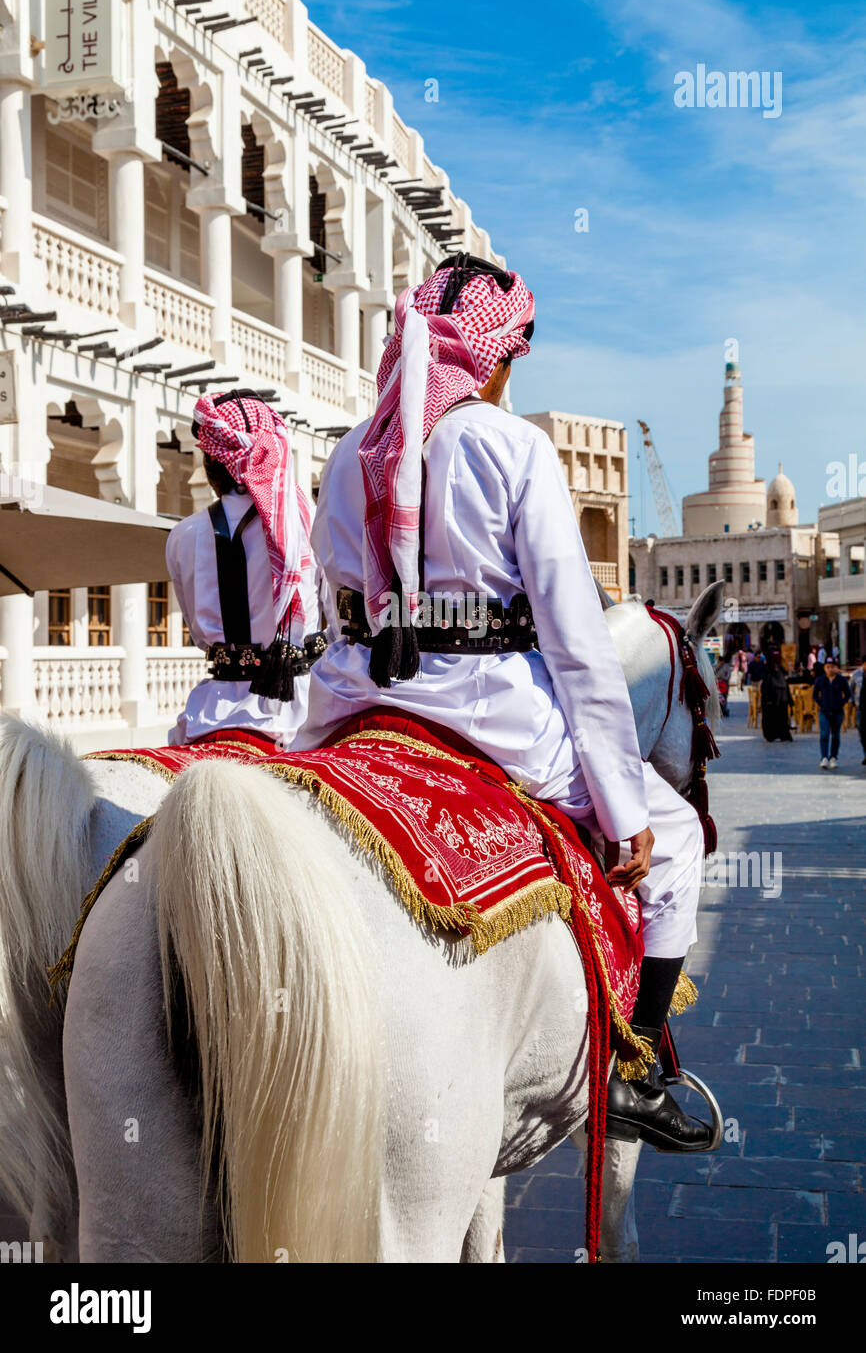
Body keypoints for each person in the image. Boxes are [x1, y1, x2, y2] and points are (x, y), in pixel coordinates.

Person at [299, 254, 710, 1151]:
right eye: (515, 355)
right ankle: (635, 1068)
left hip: (358, 706)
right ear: (496, 356)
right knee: (675, 838)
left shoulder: (349, 451)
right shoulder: (509, 443)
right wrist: (622, 804)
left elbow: (337, 599)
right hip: (490, 717)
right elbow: (577, 644)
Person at [166, 390, 323, 748]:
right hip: (295, 716)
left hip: (208, 714)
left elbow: (196, 631)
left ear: (211, 463)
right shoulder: (308, 522)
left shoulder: (181, 536)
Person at [813, 655, 851, 769]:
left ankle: (833, 757)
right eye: (828, 667)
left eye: (832, 667)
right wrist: (821, 703)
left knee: (836, 735)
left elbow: (848, 694)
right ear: (825, 668)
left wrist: (842, 702)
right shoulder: (820, 680)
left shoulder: (841, 680)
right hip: (824, 711)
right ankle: (824, 757)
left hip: (837, 711)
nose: (830, 669)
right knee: (824, 734)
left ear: (836, 668)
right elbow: (815, 694)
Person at [760, 651, 793, 743]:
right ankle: (772, 734)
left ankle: (782, 734)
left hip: (781, 698)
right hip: (771, 699)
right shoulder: (769, 670)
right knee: (772, 717)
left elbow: (784, 684)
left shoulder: (780, 670)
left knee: (781, 716)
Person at [851, 656, 866, 765]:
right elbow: (850, 689)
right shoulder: (856, 675)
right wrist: (852, 702)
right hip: (860, 707)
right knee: (862, 732)